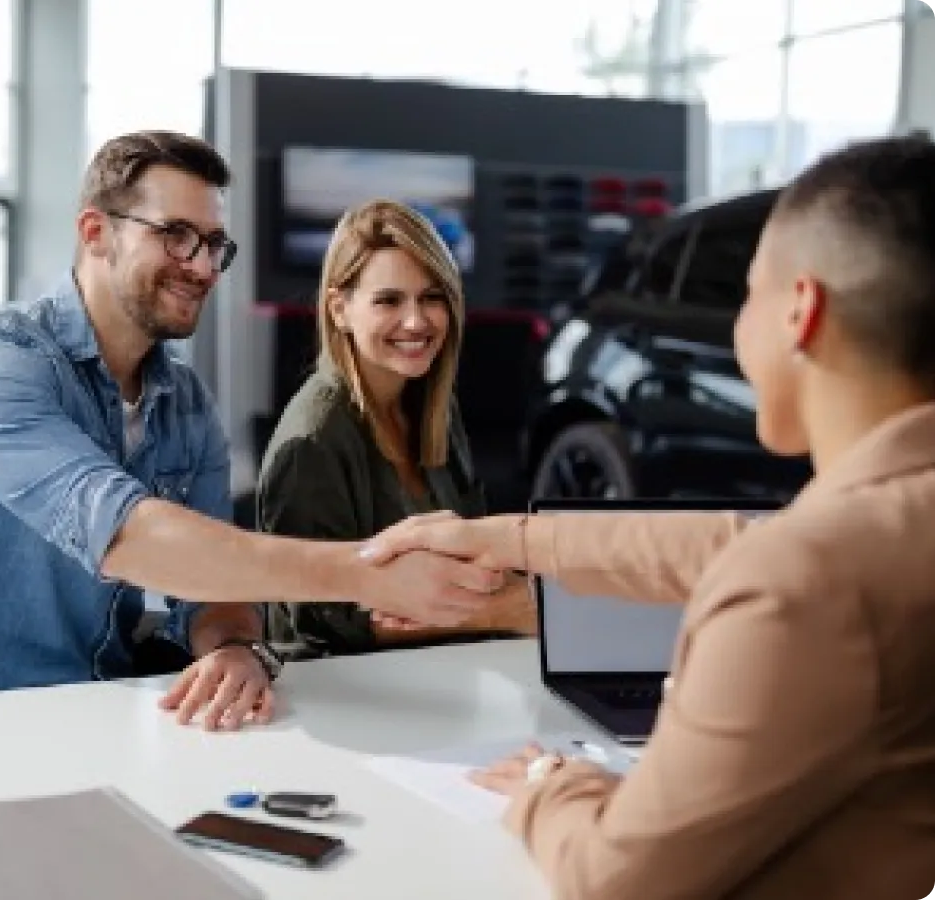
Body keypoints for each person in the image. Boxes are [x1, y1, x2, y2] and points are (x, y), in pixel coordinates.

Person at [363, 135, 935, 897]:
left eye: (747, 297)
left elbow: (618, 880)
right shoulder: (881, 528)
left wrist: (548, 783)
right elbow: (740, 539)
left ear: (800, 310)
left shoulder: (808, 583)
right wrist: (510, 537)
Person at [0, 131, 506, 730]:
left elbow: (214, 595)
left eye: (212, 244)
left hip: (97, 711)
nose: (201, 267)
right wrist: (366, 574)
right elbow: (125, 537)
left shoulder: (186, 403)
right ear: (96, 232)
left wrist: (234, 648)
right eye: (176, 236)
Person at [257, 199, 535, 654]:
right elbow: (328, 628)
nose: (417, 321)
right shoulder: (312, 441)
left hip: (444, 678)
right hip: (348, 702)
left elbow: (479, 551)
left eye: (432, 297)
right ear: (339, 309)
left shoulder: (432, 407)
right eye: (389, 300)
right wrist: (511, 610)